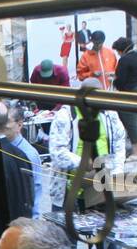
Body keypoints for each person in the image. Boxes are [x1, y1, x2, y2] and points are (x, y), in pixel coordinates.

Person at [47, 78, 127, 208]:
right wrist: (84, 163)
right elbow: (57, 152)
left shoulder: (110, 114)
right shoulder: (65, 115)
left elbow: (119, 145)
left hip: (100, 188)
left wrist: (116, 173)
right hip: (69, 190)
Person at [3, 104, 47, 218]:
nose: (3, 126)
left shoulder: (29, 154)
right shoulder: (2, 146)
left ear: (19, 125)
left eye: (7, 122)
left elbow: (35, 190)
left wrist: (33, 220)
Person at [111, 37, 137, 160]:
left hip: (131, 92)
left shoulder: (124, 60)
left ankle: (136, 152)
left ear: (122, 50)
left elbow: (121, 80)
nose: (117, 53)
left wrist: (113, 81)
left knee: (130, 119)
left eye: (117, 51)